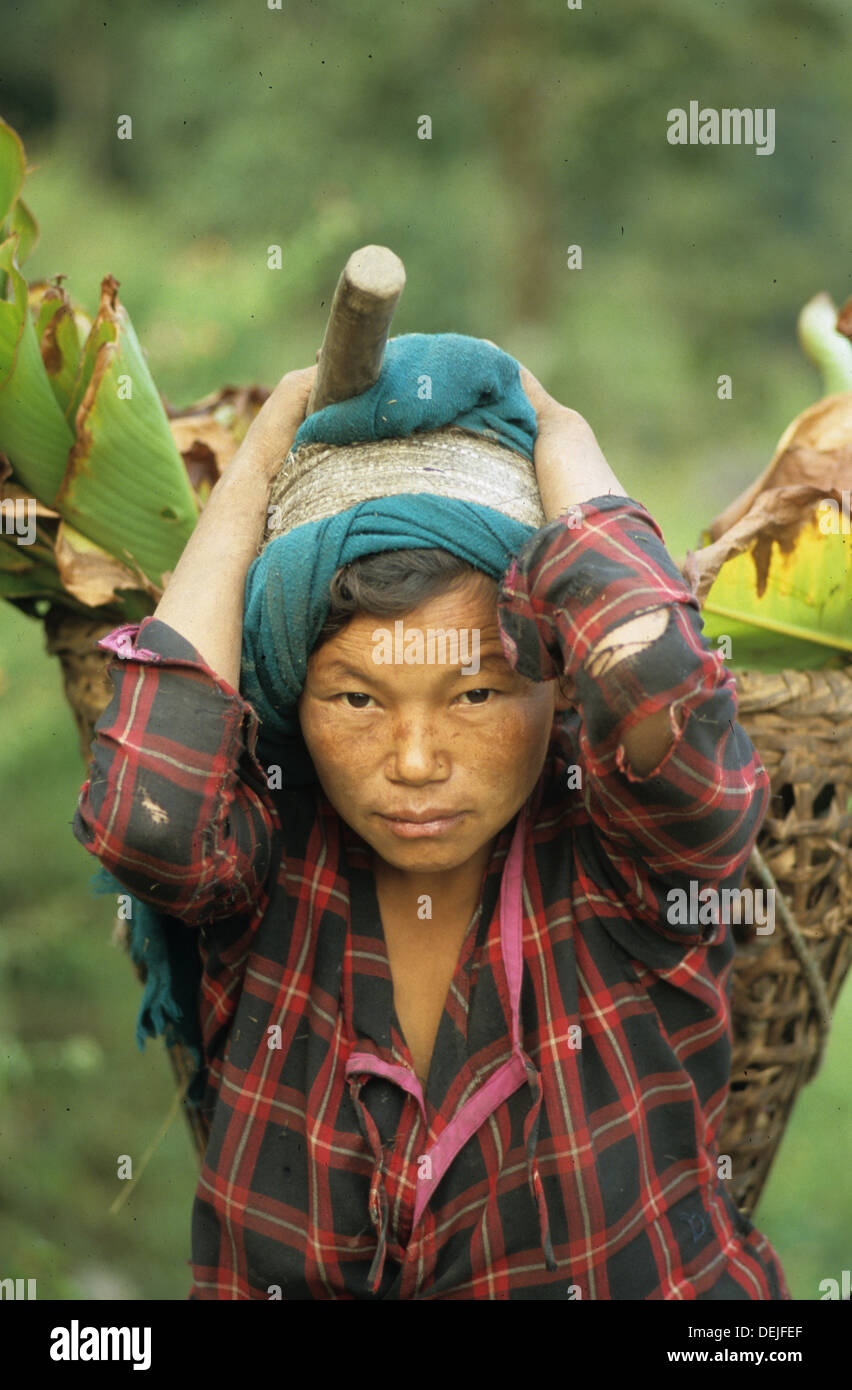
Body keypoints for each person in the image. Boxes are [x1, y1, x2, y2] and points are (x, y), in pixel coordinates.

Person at [73, 343, 790, 1300]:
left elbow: (662, 696)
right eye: (358, 702)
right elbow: (143, 822)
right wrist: (254, 466)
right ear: (294, 695)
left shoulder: (623, 851)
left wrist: (563, 437)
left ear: (558, 681)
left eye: (478, 694)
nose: (415, 763)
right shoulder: (271, 851)